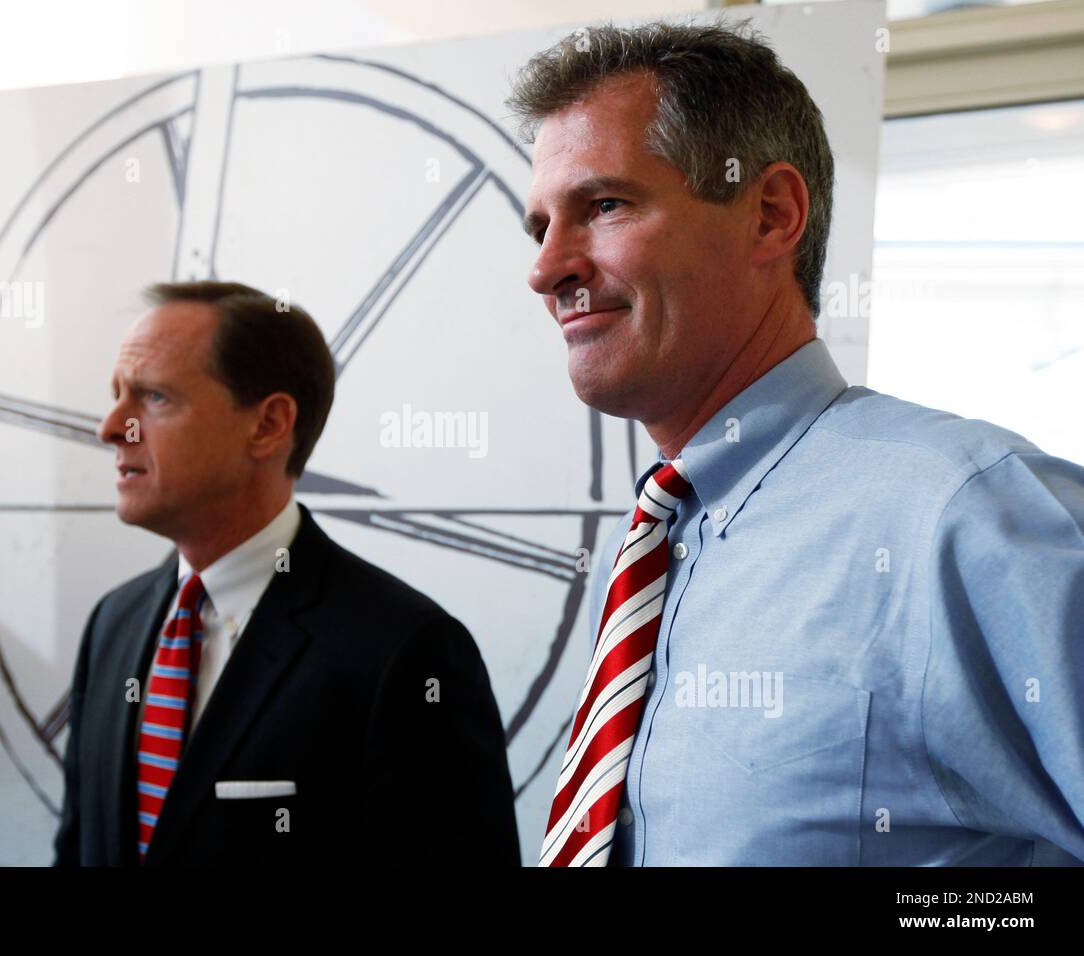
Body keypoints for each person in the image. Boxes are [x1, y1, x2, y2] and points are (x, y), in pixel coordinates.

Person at [509, 20, 1084, 866]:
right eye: (538, 227)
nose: (547, 267)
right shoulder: (658, 548)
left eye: (604, 205)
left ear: (772, 215)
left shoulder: (966, 517)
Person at [52, 280, 519, 865]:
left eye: (153, 398)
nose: (111, 426)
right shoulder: (111, 626)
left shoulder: (406, 651)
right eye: (116, 395)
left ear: (269, 424)